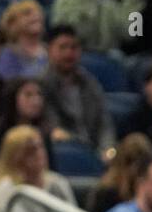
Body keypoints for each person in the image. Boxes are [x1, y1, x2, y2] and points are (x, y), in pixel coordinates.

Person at [40, 24, 114, 153]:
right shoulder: (41, 84)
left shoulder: (90, 82)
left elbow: (104, 123)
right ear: (49, 50)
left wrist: (108, 149)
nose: (69, 53)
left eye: (74, 47)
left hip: (95, 151)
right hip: (63, 151)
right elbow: (51, 125)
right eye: (62, 47)